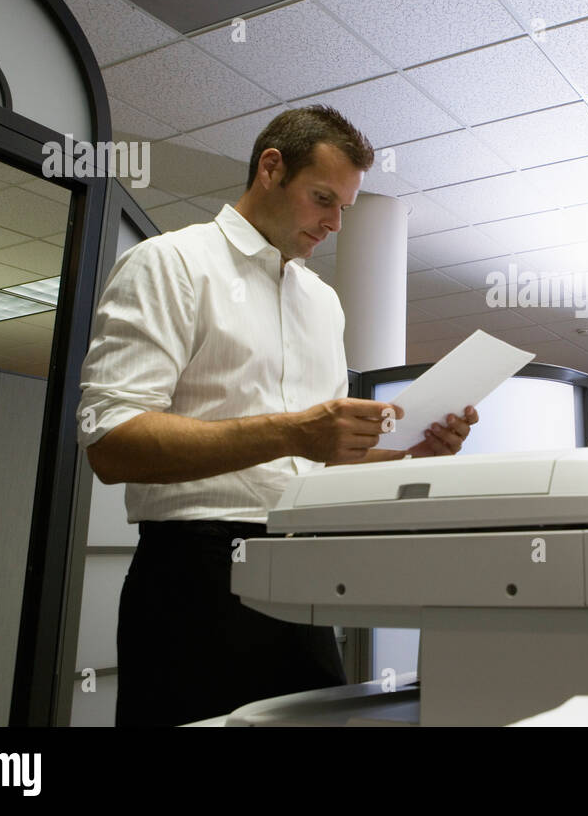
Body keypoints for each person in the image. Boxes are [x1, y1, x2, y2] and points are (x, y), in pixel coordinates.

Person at [77, 106, 478, 726]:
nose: (334, 224)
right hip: (195, 574)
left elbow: (319, 456)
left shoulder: (323, 302)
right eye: (323, 199)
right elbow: (112, 442)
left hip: (303, 573)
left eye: (344, 207)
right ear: (271, 169)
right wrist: (294, 429)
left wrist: (411, 455)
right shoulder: (169, 263)